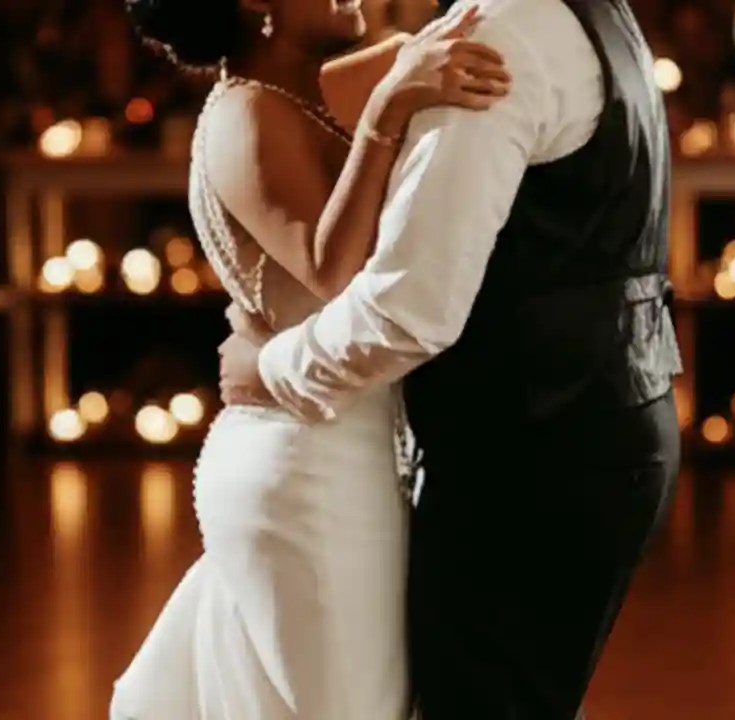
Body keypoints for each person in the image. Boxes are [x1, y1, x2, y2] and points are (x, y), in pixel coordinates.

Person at [219, 0, 684, 717]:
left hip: (532, 449)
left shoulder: (489, 38)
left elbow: (411, 311)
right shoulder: (597, 13)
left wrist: (274, 367)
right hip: (615, 420)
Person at [109, 2, 510, 719]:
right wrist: (390, 110)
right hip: (308, 467)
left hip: (342, 438)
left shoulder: (306, 90)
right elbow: (334, 274)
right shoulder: (247, 116)